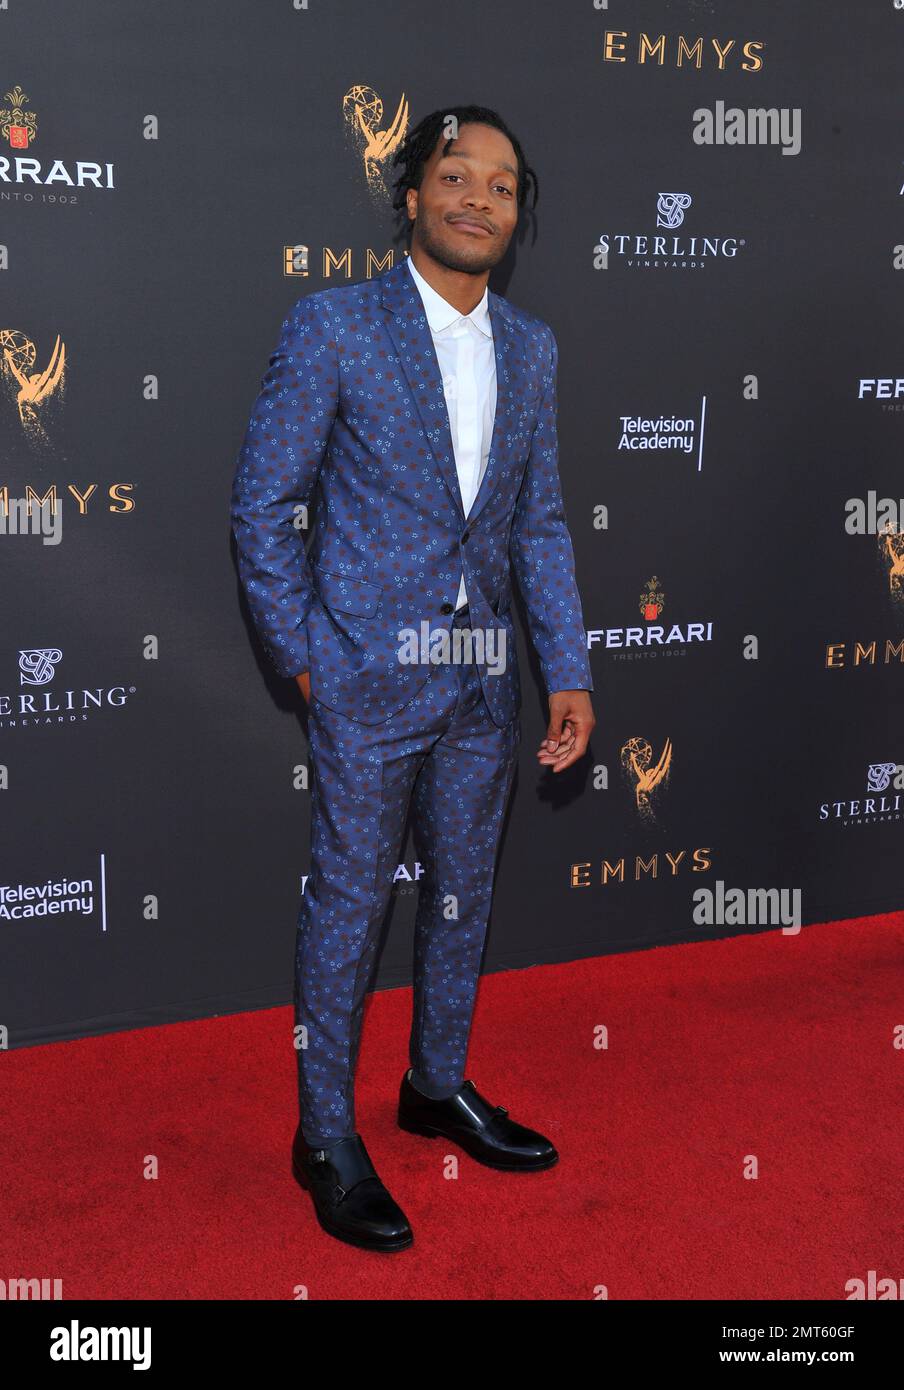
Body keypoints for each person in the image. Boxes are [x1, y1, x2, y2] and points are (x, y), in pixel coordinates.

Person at [230, 104, 596, 1253]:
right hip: (363, 678)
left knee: (460, 893)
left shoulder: (532, 349)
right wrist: (305, 656)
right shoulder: (334, 325)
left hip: (484, 679)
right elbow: (263, 506)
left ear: (516, 211)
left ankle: (434, 1086)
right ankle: (324, 1132)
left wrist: (568, 669)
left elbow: (535, 526)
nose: (478, 197)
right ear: (412, 196)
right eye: (456, 175)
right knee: (348, 902)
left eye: (501, 183)